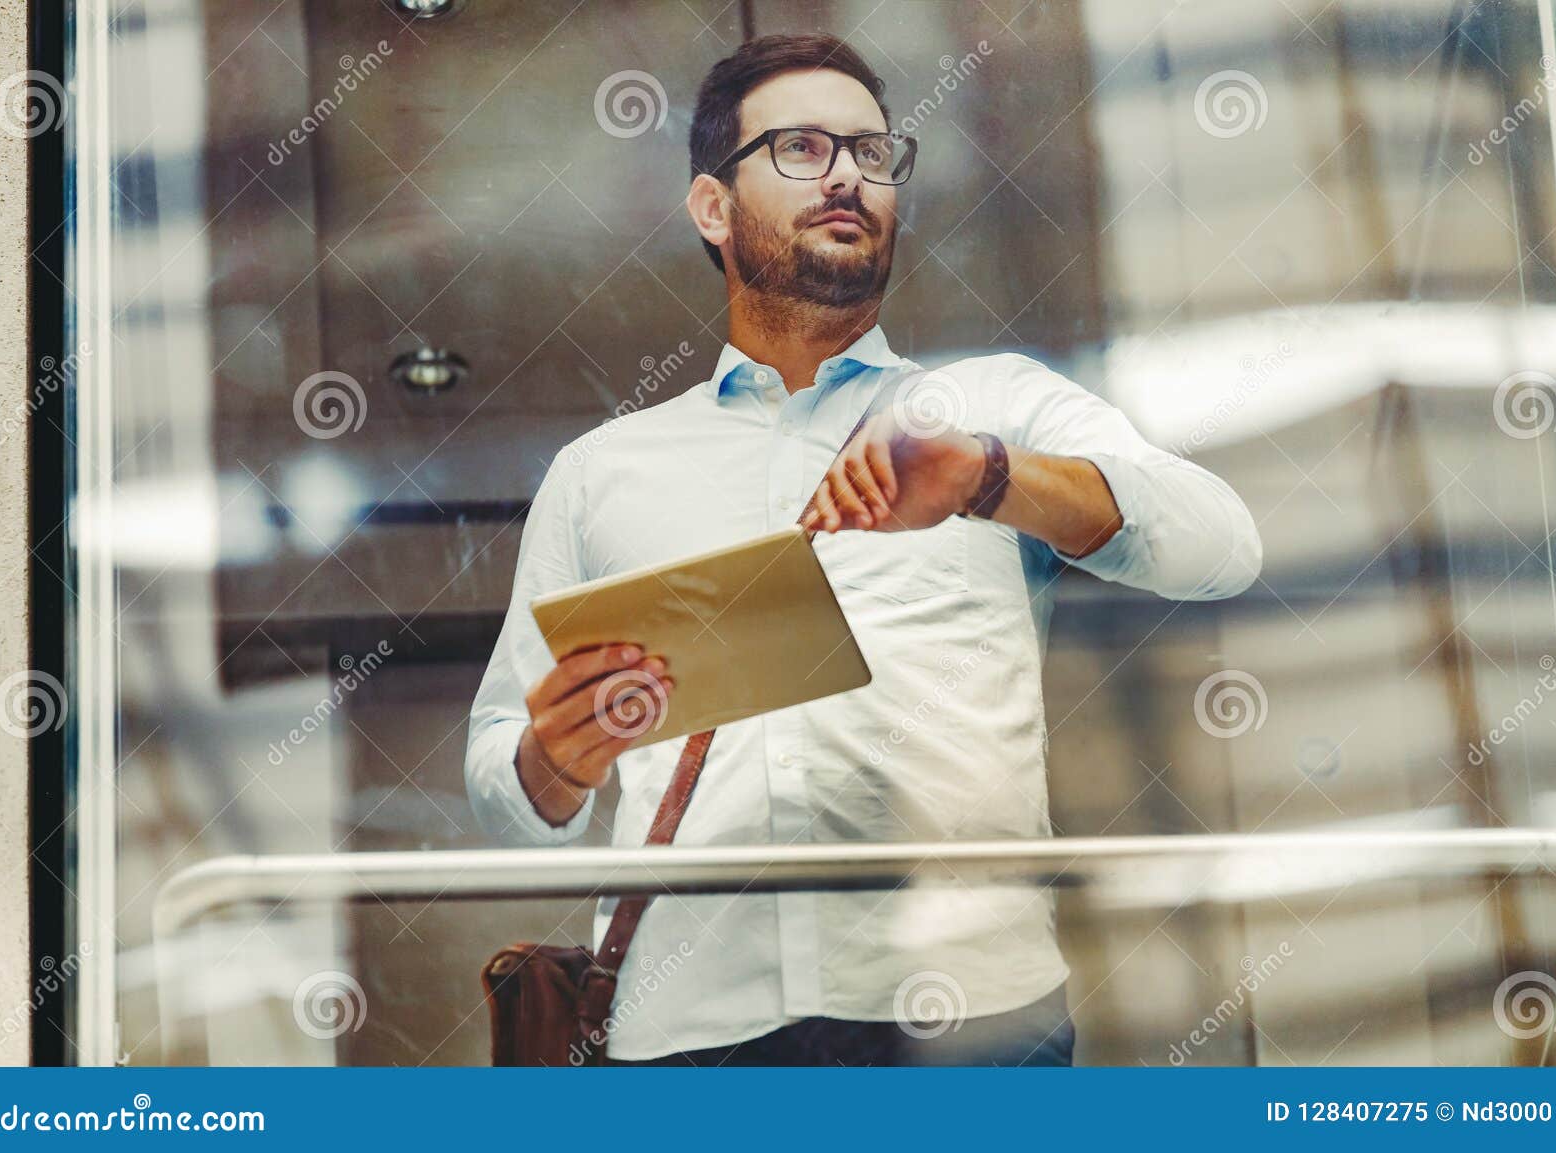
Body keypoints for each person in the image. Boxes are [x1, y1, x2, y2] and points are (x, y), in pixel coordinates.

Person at [465, 33, 1262, 1066]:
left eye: (871, 152)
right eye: (801, 148)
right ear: (712, 207)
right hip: (688, 1035)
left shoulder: (993, 403)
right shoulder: (600, 470)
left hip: (968, 1024)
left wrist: (986, 475)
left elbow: (1220, 544)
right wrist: (553, 763)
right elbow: (503, 783)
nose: (846, 174)